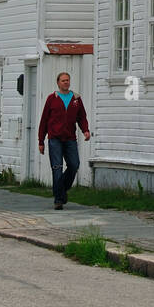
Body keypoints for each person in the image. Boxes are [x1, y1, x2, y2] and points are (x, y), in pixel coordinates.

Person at [38, 71, 91, 209]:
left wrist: (85, 130)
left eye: (67, 80)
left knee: (74, 165)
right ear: (58, 83)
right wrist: (41, 141)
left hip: (70, 138)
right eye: (63, 80)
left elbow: (82, 117)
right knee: (57, 168)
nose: (66, 82)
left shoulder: (76, 99)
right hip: (55, 138)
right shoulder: (52, 98)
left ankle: (62, 189)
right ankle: (59, 200)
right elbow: (44, 120)